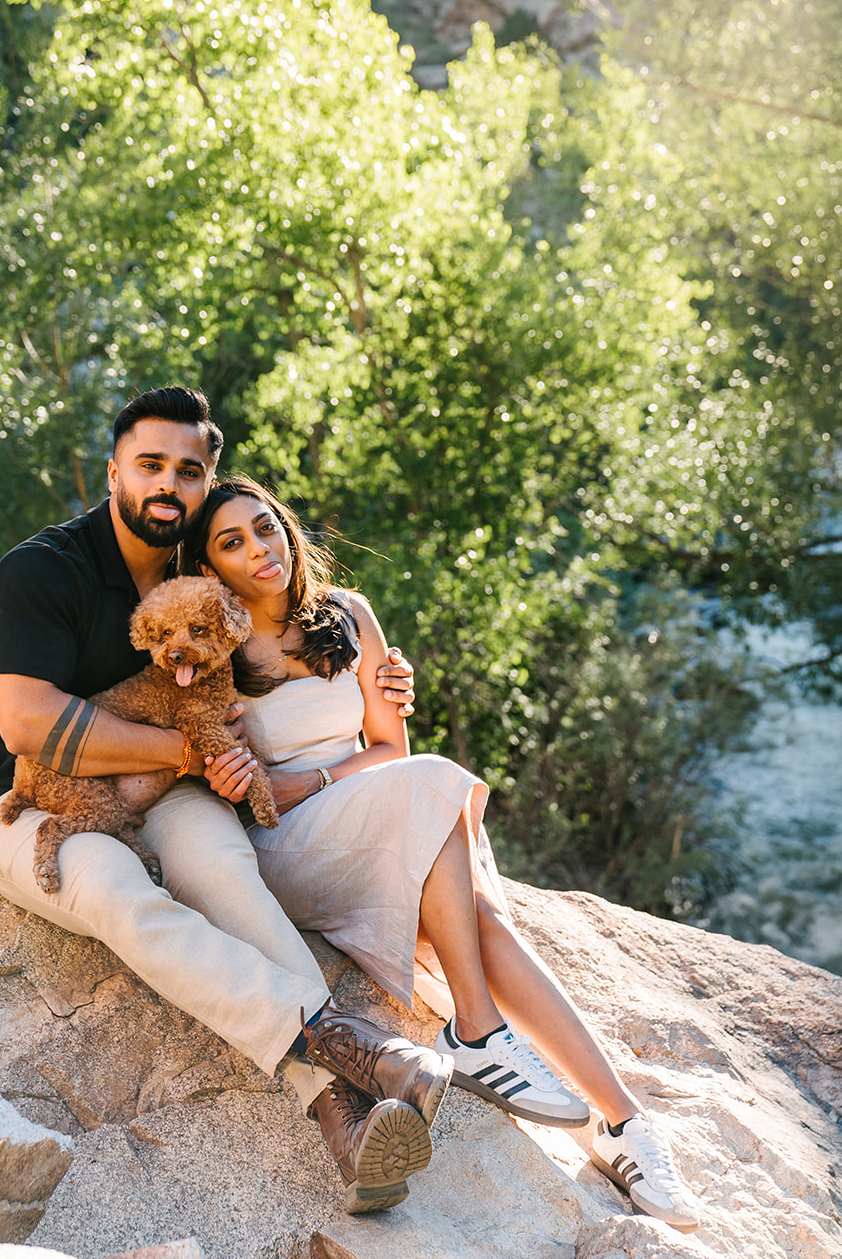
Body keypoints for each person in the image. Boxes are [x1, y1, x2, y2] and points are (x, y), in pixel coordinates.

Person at [0, 386, 453, 1215]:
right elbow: (28, 724)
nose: (168, 484)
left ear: (207, 478)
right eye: (149, 464)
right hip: (30, 805)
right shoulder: (40, 572)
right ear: (114, 468)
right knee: (116, 890)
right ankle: (345, 1057)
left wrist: (382, 675)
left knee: (228, 879)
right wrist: (190, 749)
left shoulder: (197, 571)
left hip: (168, 792)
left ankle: (352, 1128)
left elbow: (289, 639)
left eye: (189, 471)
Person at [182, 476, 701, 1235]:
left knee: (480, 914)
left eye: (265, 528)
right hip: (287, 847)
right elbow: (223, 765)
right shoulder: (213, 649)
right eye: (231, 543)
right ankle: (478, 1031)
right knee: (429, 790)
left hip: (367, 806)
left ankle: (620, 1126)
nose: (258, 549)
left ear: (288, 529)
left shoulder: (349, 615)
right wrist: (249, 781)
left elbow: (392, 746)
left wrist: (312, 778)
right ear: (209, 568)